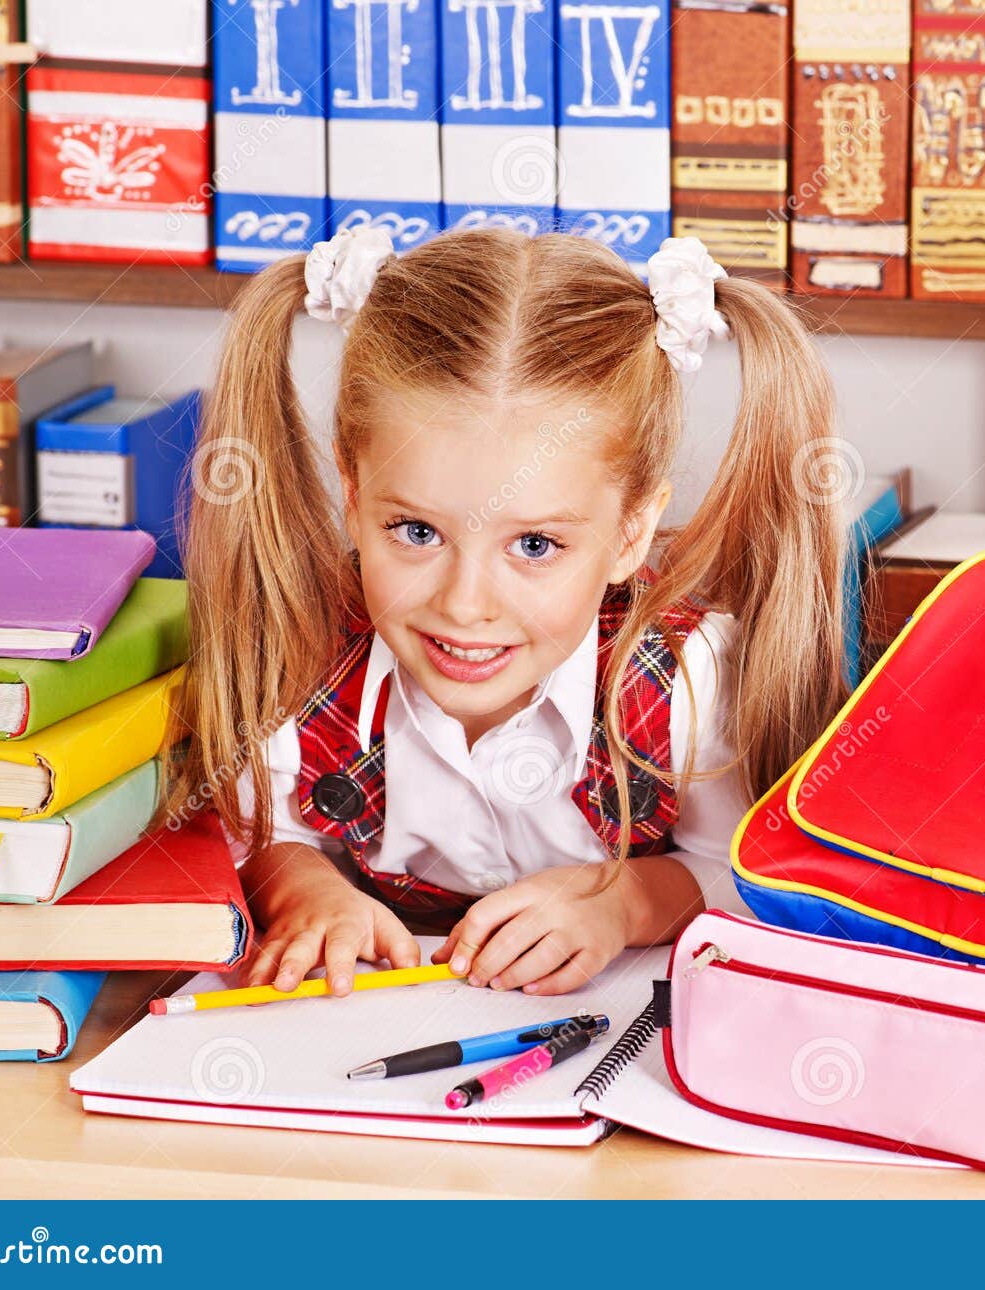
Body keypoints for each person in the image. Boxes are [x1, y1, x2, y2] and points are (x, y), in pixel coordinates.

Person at [168, 225, 849, 997]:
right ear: (353, 498)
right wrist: (307, 895)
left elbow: (739, 874)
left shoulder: (686, 683)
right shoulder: (300, 651)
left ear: (630, 533)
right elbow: (266, 835)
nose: (465, 604)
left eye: (533, 545)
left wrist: (621, 903)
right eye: (417, 532)